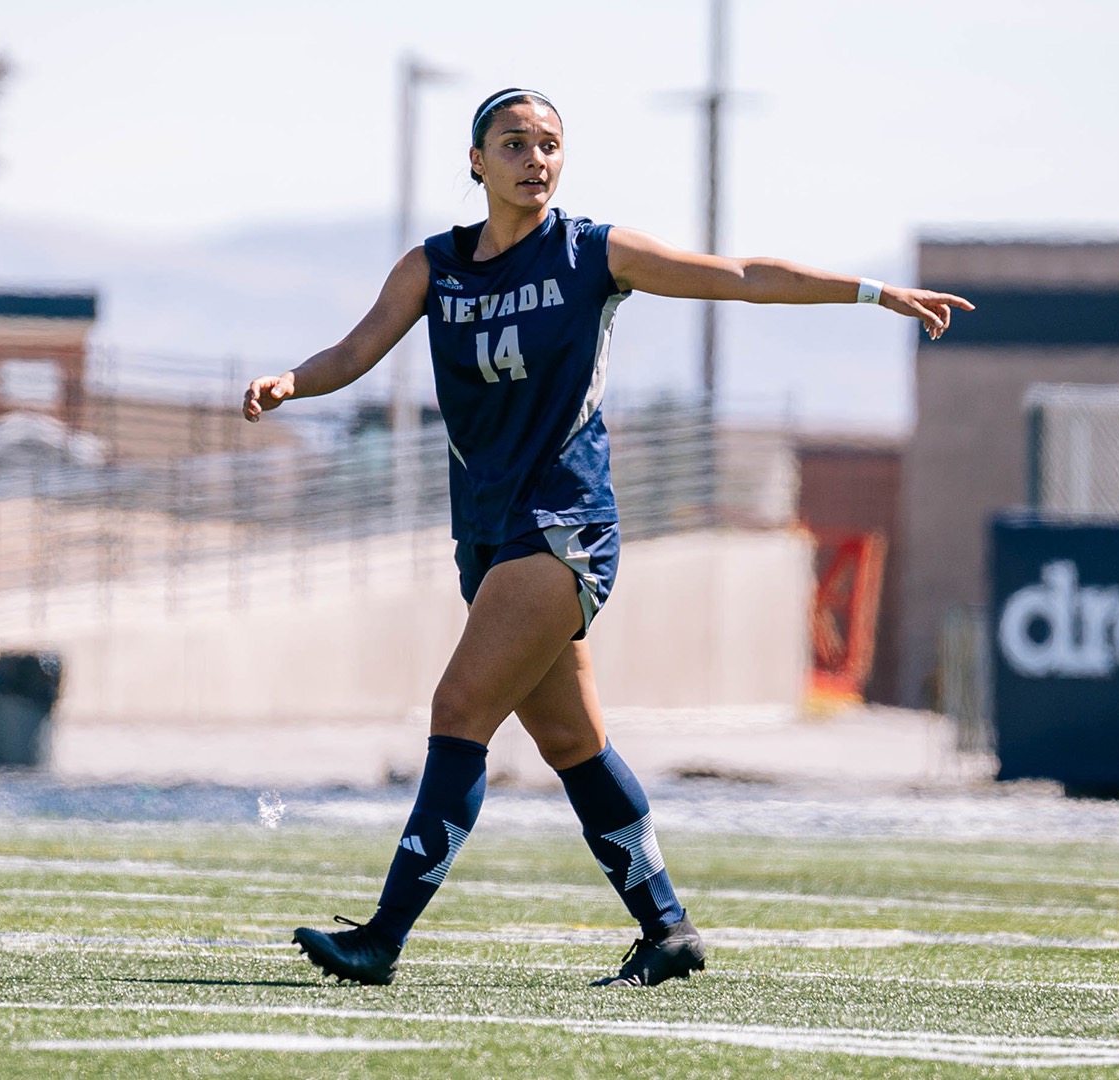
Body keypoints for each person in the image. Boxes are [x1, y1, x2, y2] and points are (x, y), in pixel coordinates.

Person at [243, 88, 972, 988]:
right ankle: (668, 929)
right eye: (513, 144)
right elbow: (354, 355)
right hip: (487, 534)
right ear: (475, 163)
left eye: (549, 144)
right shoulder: (433, 268)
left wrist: (870, 292)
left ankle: (381, 938)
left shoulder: (593, 252)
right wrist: (289, 382)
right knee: (572, 743)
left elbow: (739, 275)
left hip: (564, 527)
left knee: (459, 711)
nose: (534, 159)